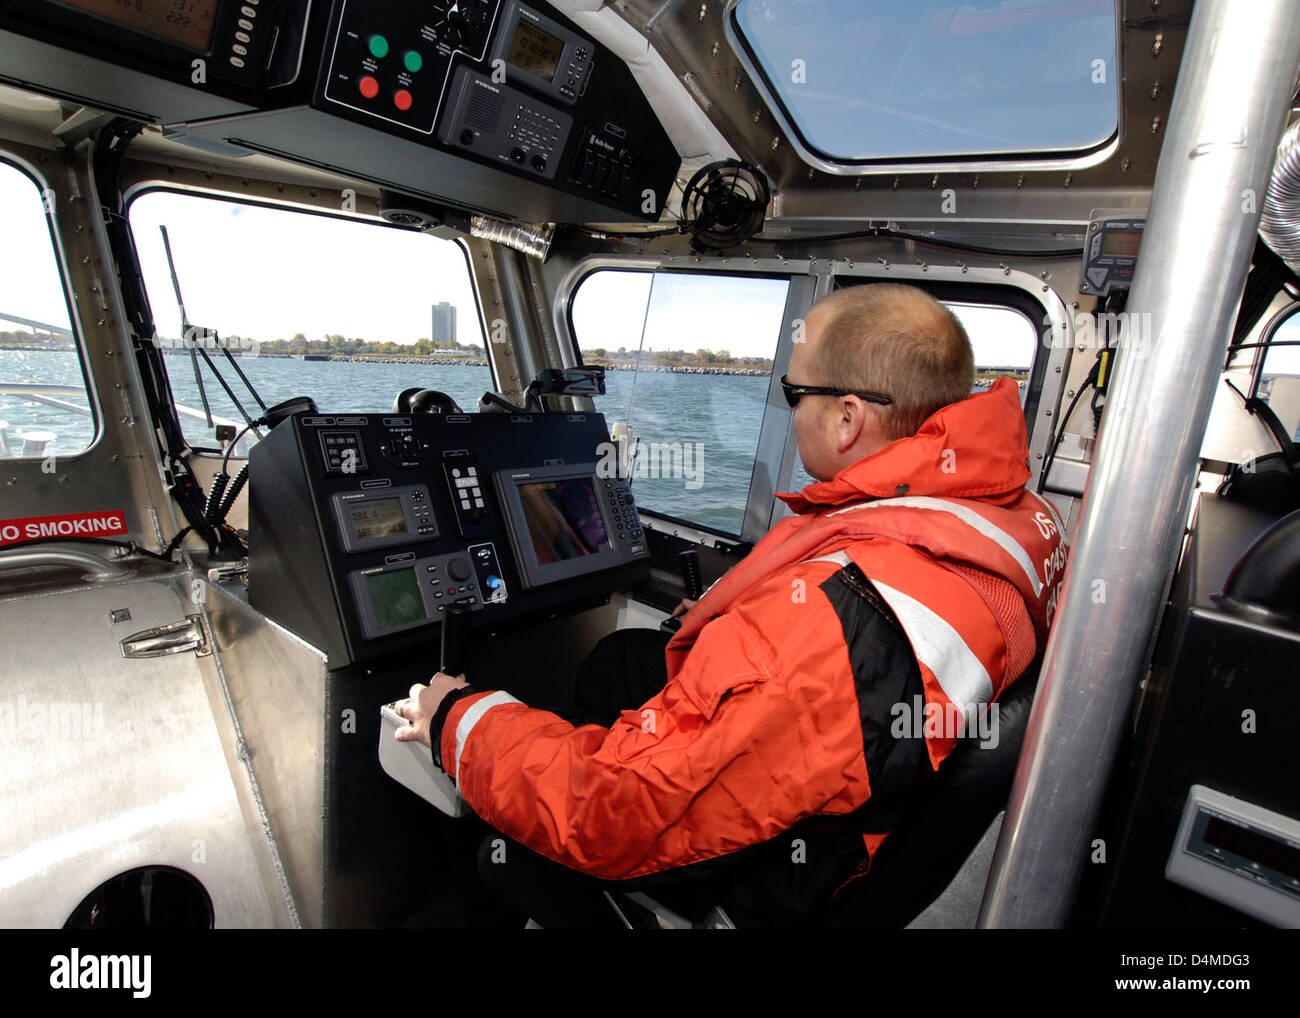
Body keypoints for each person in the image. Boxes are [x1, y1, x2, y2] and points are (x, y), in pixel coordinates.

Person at [394, 282, 1067, 927]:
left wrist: (458, 718)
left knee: (504, 852)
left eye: (793, 392)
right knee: (618, 662)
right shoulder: (1007, 511)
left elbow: (612, 808)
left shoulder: (821, 630)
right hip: (869, 778)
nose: (788, 407)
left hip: (783, 866)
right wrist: (730, 624)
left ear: (847, 417)